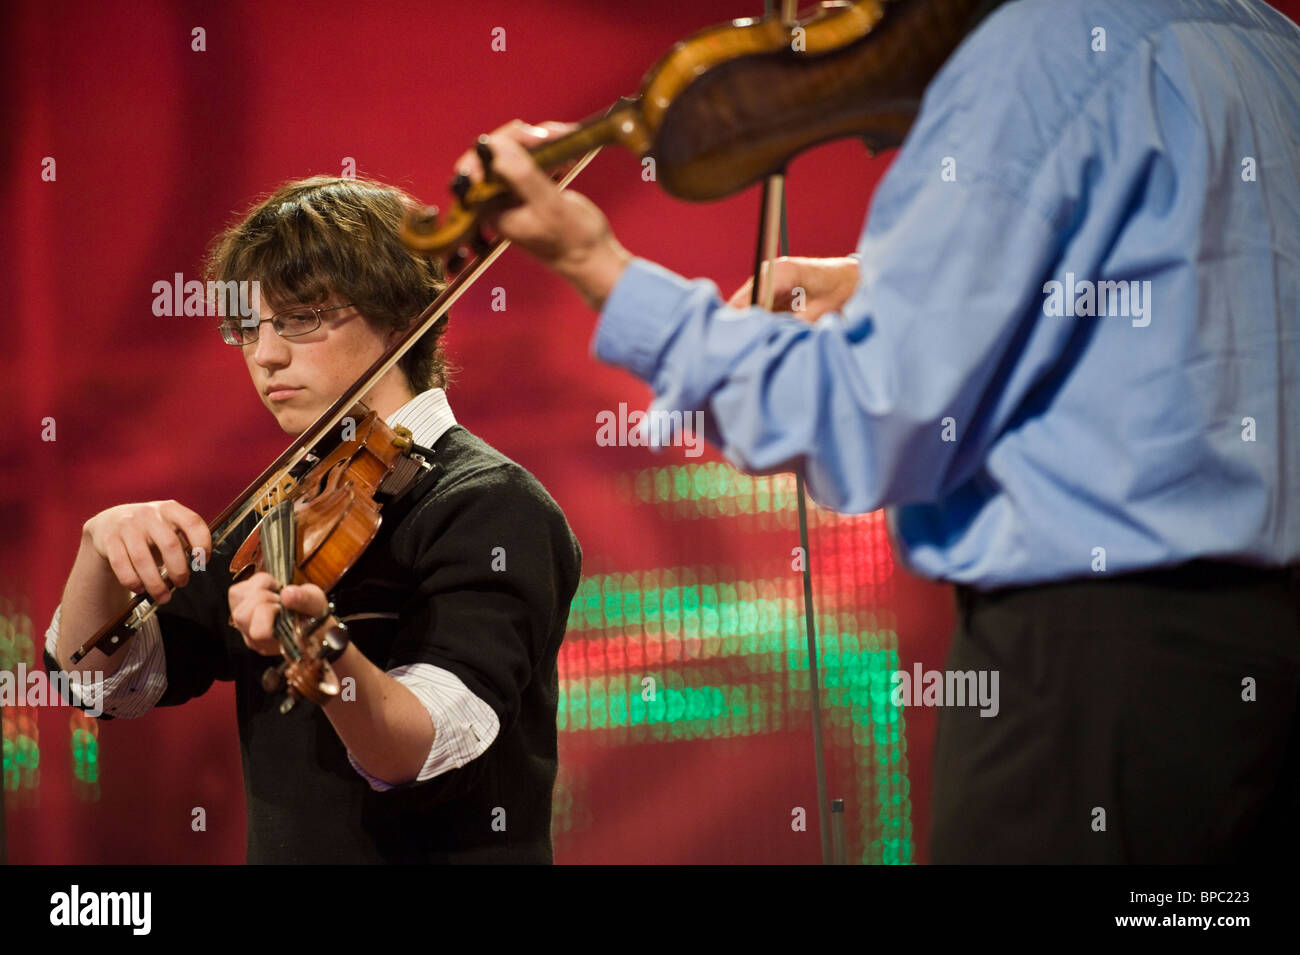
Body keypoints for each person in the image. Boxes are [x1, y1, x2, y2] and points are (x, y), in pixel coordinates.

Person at [447, 0, 1300, 863]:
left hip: (1097, 688)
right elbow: (1185, 302)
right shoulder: (1265, 42)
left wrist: (598, 265)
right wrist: (877, 286)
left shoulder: (1039, 48)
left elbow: (864, 423)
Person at [44, 176, 583, 864]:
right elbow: (99, 682)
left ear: (398, 315)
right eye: (249, 326)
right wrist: (98, 549)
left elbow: (425, 746)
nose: (265, 355)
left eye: (302, 317)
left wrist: (325, 654)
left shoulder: (492, 503)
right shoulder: (286, 506)